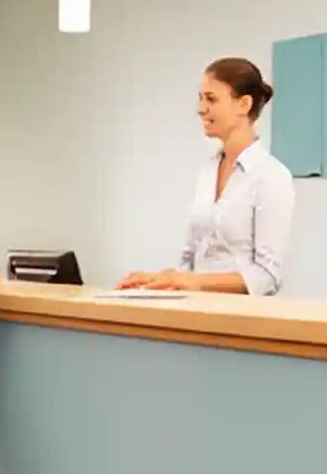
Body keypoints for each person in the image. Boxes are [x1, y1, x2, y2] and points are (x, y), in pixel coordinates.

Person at [117, 57, 295, 295]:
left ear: (243, 104)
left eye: (211, 99)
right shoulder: (208, 171)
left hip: (242, 319)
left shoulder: (271, 176)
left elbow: (267, 277)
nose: (201, 109)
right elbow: (191, 256)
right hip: (196, 313)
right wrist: (162, 280)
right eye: (200, 98)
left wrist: (192, 282)